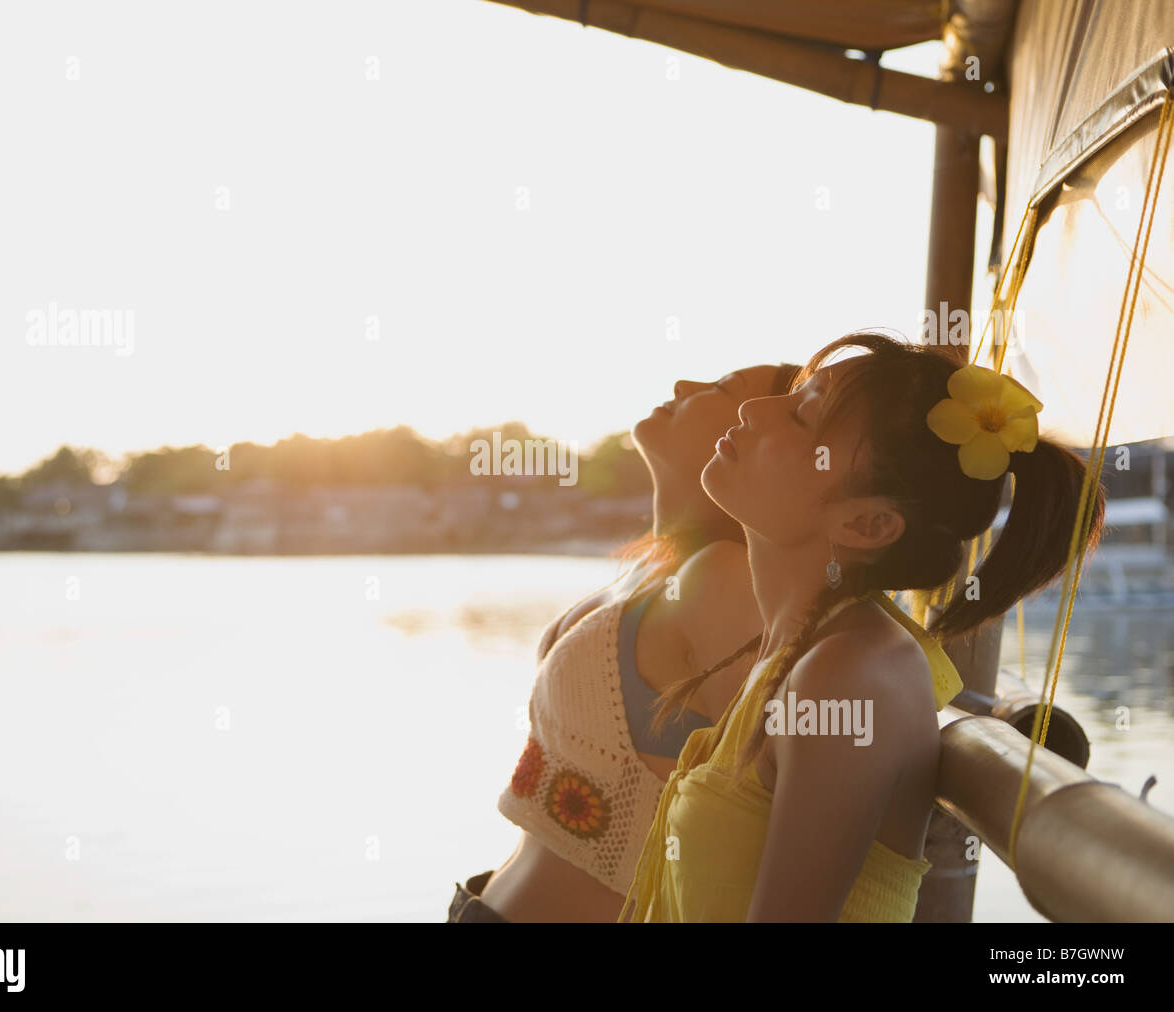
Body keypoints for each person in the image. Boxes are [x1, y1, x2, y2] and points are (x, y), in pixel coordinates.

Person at [618, 329, 1106, 922]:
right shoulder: (799, 650)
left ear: (869, 525)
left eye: (801, 417)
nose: (753, 407)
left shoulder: (849, 673)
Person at [447, 362, 801, 922]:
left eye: (722, 389)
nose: (686, 386)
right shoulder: (656, 572)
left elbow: (782, 796)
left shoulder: (725, 582)